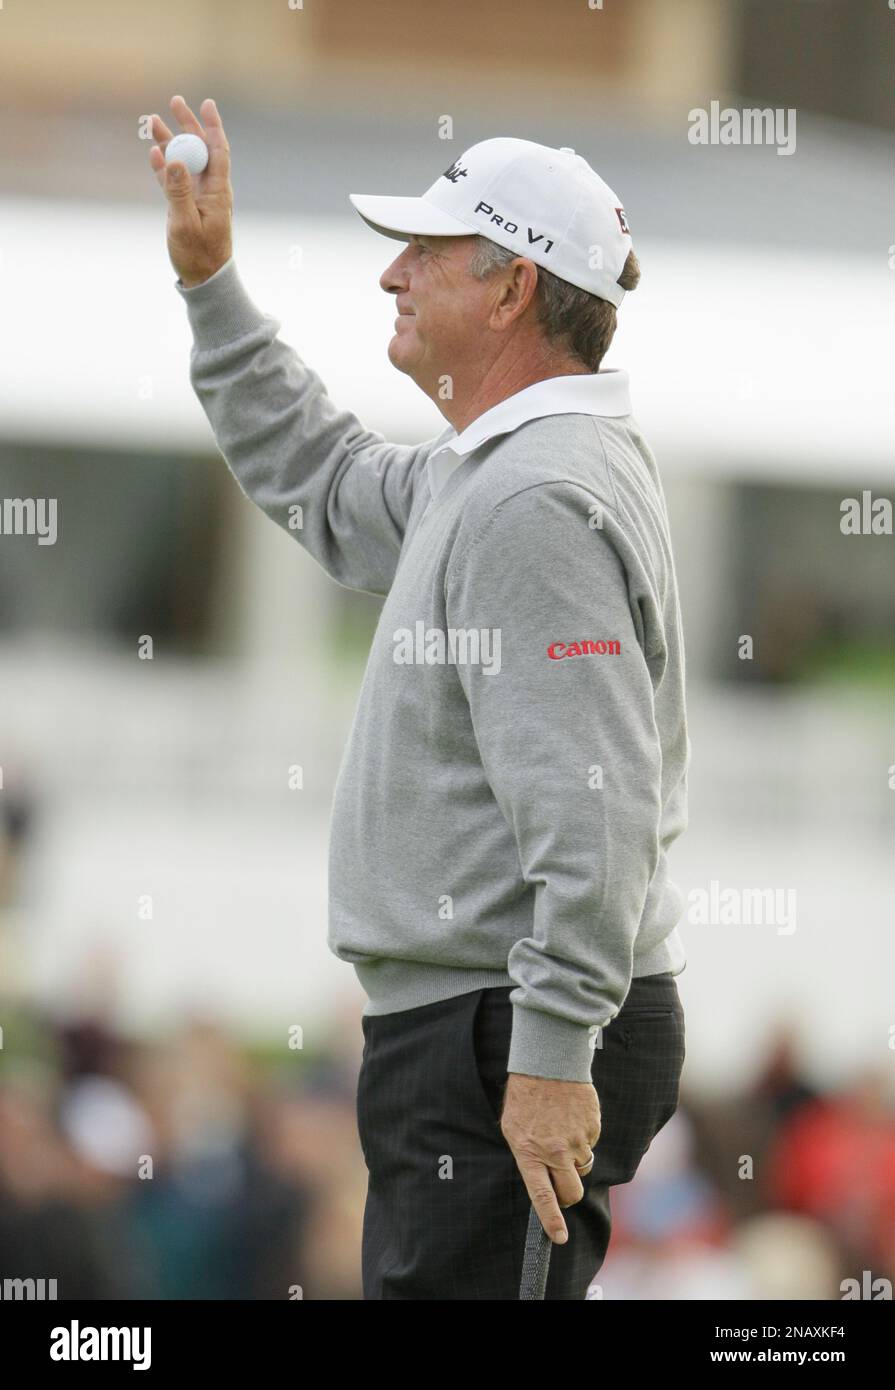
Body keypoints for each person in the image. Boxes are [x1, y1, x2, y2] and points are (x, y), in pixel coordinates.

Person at [149, 96, 689, 1300]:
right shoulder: (497, 472)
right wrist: (212, 283)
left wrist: (549, 1059)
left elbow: (590, 808)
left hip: (507, 1028)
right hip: (485, 1021)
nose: (392, 273)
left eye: (427, 254)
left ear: (509, 291)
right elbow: (329, 481)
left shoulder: (531, 496)